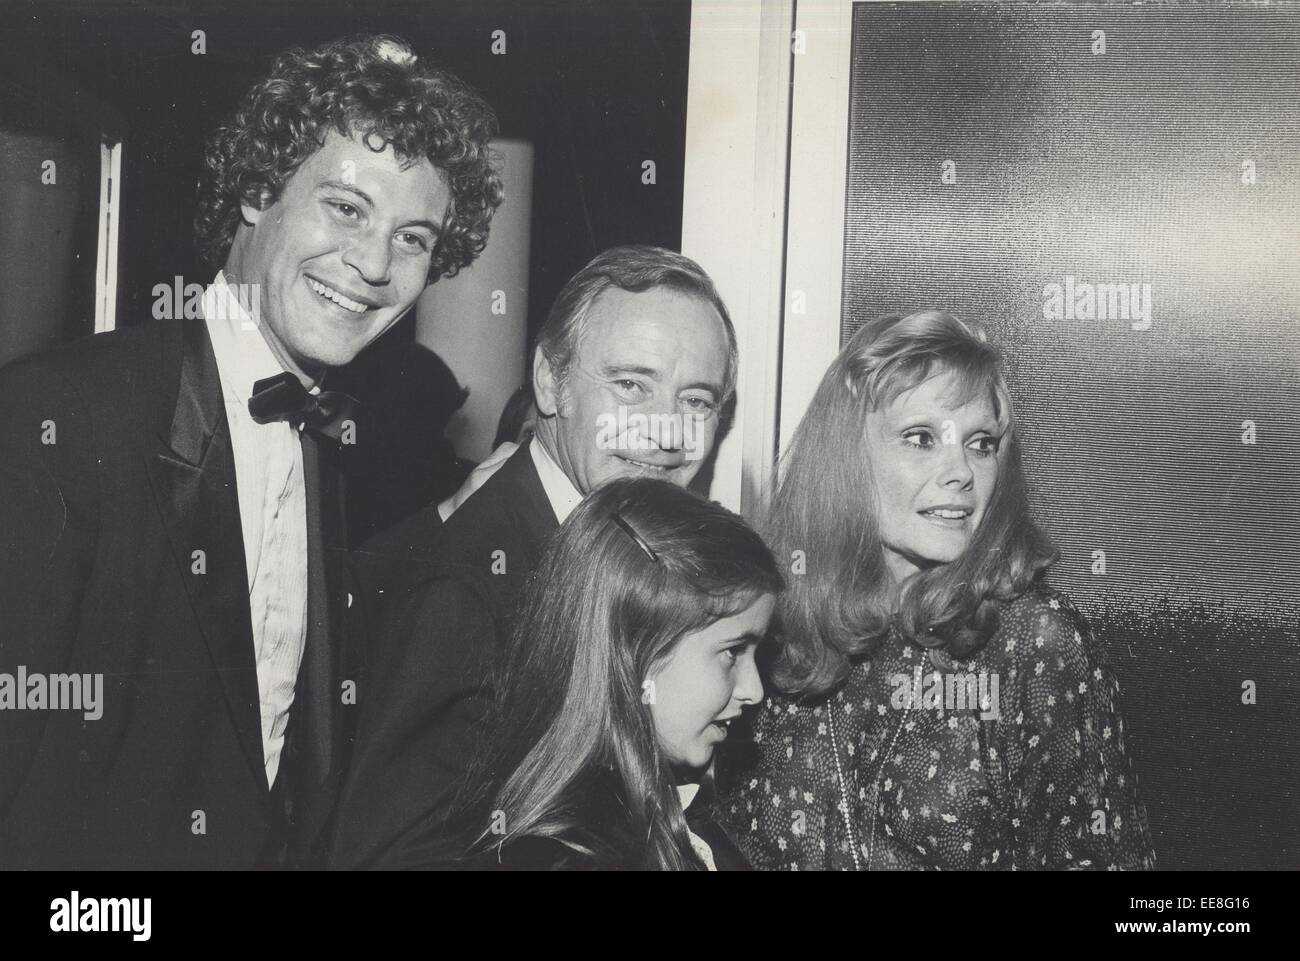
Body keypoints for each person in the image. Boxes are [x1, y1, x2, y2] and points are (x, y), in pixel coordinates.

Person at [0, 34, 502, 868]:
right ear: (258, 189)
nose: (373, 263)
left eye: (413, 238)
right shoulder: (59, 421)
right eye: (346, 208)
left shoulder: (333, 440)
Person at [330, 244, 738, 867]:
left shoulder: (646, 560)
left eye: (696, 402)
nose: (665, 430)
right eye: (631, 385)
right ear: (551, 381)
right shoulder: (469, 587)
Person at [722, 309, 1156, 870]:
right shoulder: (770, 626)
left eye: (980, 444)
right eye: (921, 438)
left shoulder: (1039, 645)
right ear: (845, 457)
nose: (961, 472)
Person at [440, 477, 782, 870]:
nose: (754, 690)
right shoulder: (564, 859)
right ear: (634, 653)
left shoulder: (680, 816)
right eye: (733, 651)